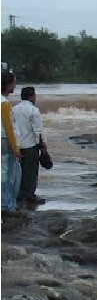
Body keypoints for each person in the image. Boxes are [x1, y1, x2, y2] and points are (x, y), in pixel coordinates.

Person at [12, 85, 46, 206]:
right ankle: (30, 195)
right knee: (31, 172)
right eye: (34, 95)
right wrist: (43, 145)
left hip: (17, 145)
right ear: (31, 96)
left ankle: (20, 194)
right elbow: (38, 130)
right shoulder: (33, 110)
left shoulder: (14, 109)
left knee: (19, 172)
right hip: (30, 146)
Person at [1, 69, 21, 215]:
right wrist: (16, 148)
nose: (15, 85)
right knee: (9, 174)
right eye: (14, 82)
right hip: (5, 140)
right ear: (8, 84)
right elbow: (9, 127)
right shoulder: (5, 103)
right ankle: (6, 205)